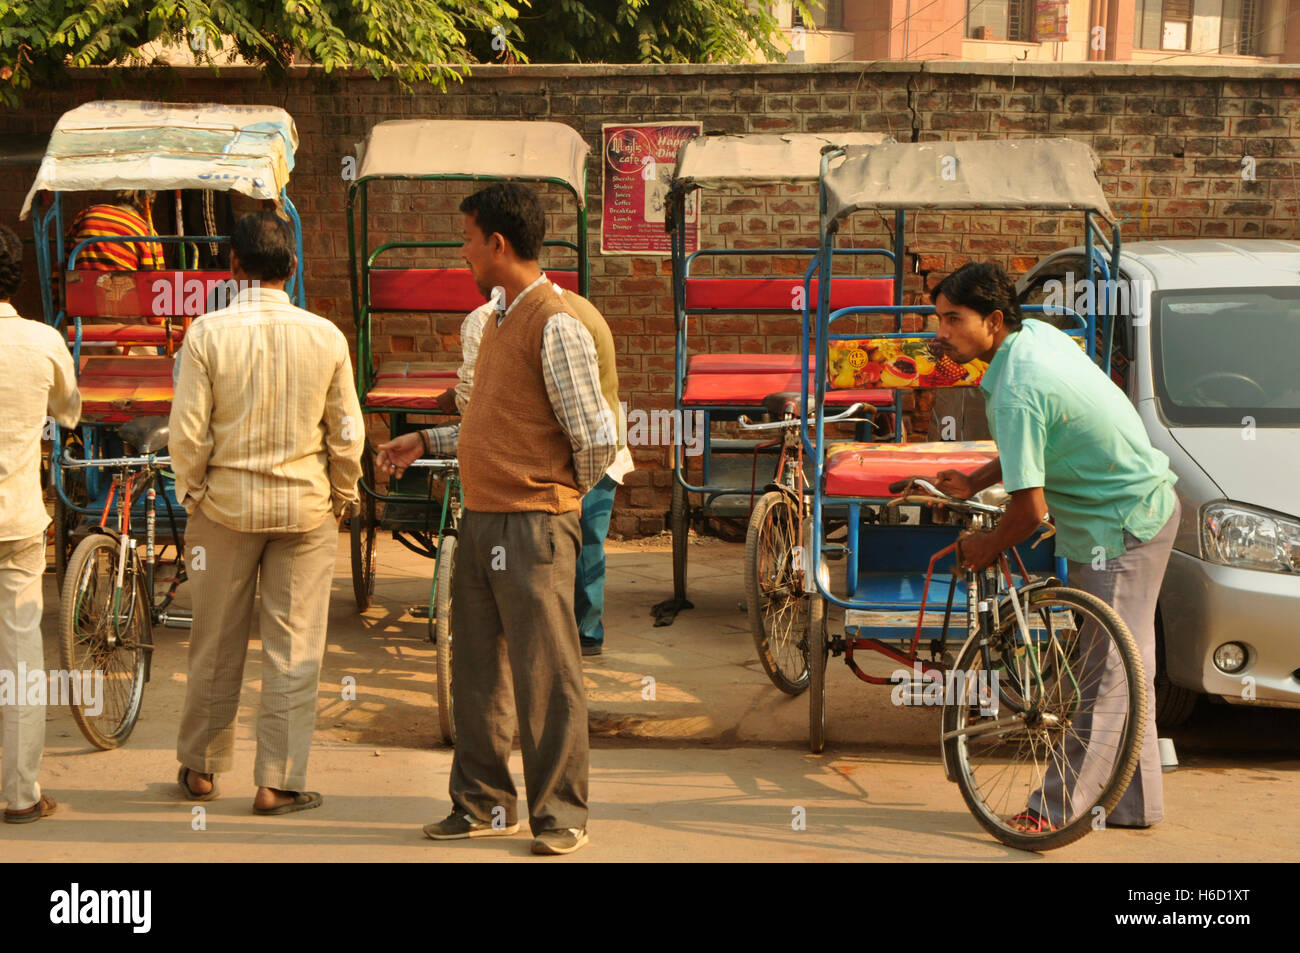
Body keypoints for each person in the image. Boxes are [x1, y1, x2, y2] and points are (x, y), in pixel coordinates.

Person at [376, 183, 617, 855]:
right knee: (478, 669)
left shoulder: (556, 321)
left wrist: (553, 493)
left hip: (533, 523)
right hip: (483, 518)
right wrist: (425, 441)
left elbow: (595, 436)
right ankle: (482, 803)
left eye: (467, 239)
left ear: (497, 243)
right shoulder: (498, 319)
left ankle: (560, 813)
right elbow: (491, 420)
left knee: (546, 674)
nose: (463, 252)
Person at [927, 261, 1178, 833]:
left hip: (1122, 527)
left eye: (953, 319)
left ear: (993, 321)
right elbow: (1036, 439)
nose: (941, 331)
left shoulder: (1016, 385)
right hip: (1135, 514)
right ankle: (1133, 805)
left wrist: (988, 544)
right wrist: (976, 480)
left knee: (1106, 671)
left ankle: (1054, 809)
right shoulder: (1035, 337)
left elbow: (1029, 510)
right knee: (1126, 666)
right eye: (938, 318)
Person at [169, 211, 364, 815]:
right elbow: (347, 433)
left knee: (214, 640)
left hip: (223, 510)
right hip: (305, 510)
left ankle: (201, 769)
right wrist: (343, 495)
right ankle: (276, 781)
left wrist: (194, 491)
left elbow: (188, 435)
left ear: (233, 268)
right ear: (294, 267)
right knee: (294, 646)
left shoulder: (206, 333)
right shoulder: (326, 336)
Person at [432, 277, 631, 657]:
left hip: (556, 462)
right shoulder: (576, 308)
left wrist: (572, 486)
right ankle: (584, 633)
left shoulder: (496, 319)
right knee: (588, 547)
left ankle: (554, 635)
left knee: (548, 557)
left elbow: (473, 400)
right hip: (603, 450)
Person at [0, 225, 81, 823]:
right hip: (17, 521)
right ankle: (21, 794)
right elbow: (68, 410)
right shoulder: (41, 340)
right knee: (21, 665)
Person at [64, 191, 165, 271]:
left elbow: (64, 258)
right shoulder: (146, 231)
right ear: (148, 204)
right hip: (124, 294)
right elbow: (154, 280)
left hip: (78, 291)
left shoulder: (86, 213)